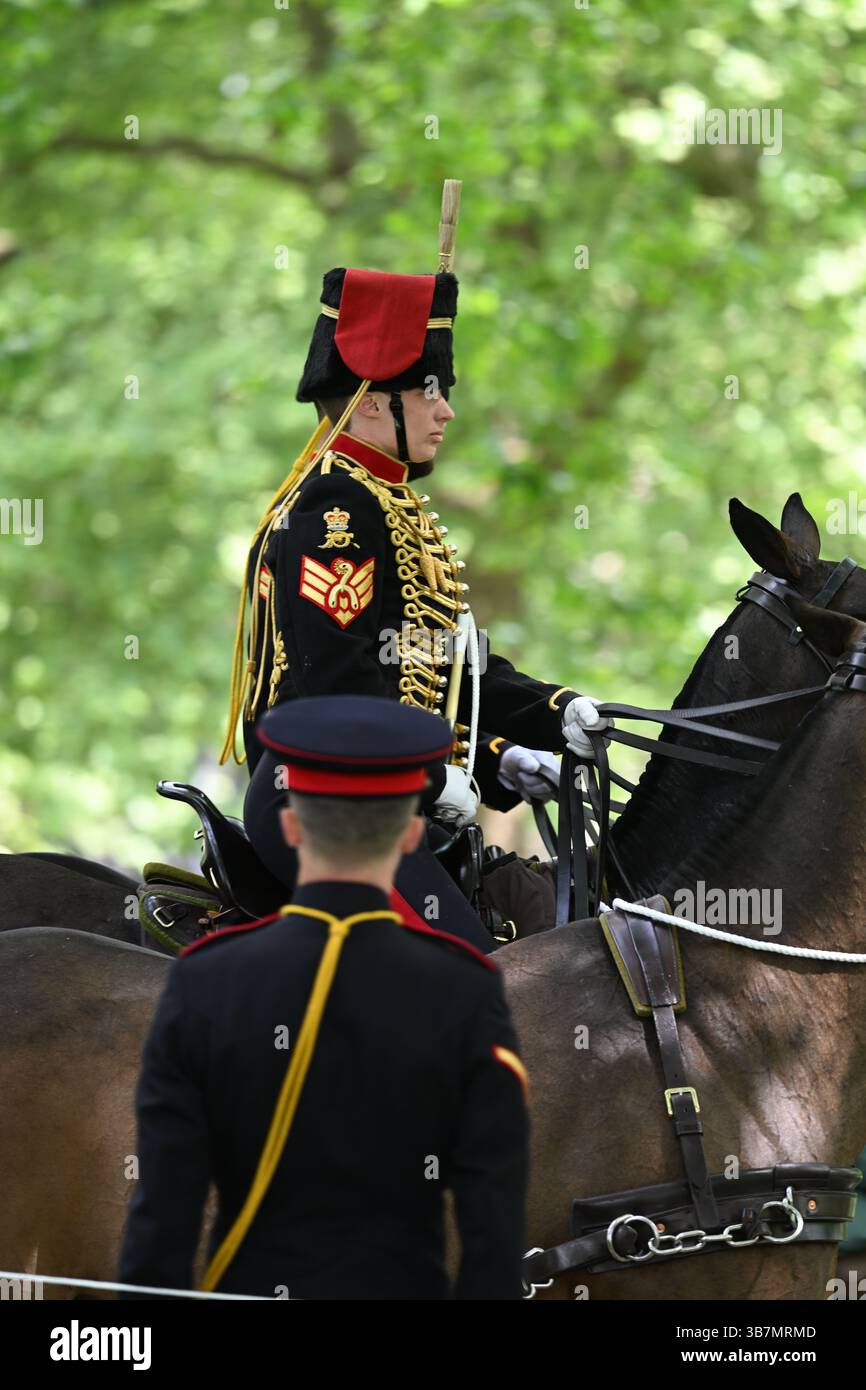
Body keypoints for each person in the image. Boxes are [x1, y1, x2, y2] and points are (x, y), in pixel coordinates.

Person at [220, 264, 611, 949]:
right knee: (475, 981)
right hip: (327, 806)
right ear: (370, 402)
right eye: (431, 392)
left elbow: (441, 674)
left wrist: (539, 725)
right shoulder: (334, 511)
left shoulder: (389, 503)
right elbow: (335, 694)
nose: (447, 410)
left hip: (384, 800)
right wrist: (431, 778)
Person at [119, 695, 530, 1300]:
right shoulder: (467, 987)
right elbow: (493, 1227)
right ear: (414, 832)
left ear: (286, 825)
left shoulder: (204, 978)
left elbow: (164, 1219)